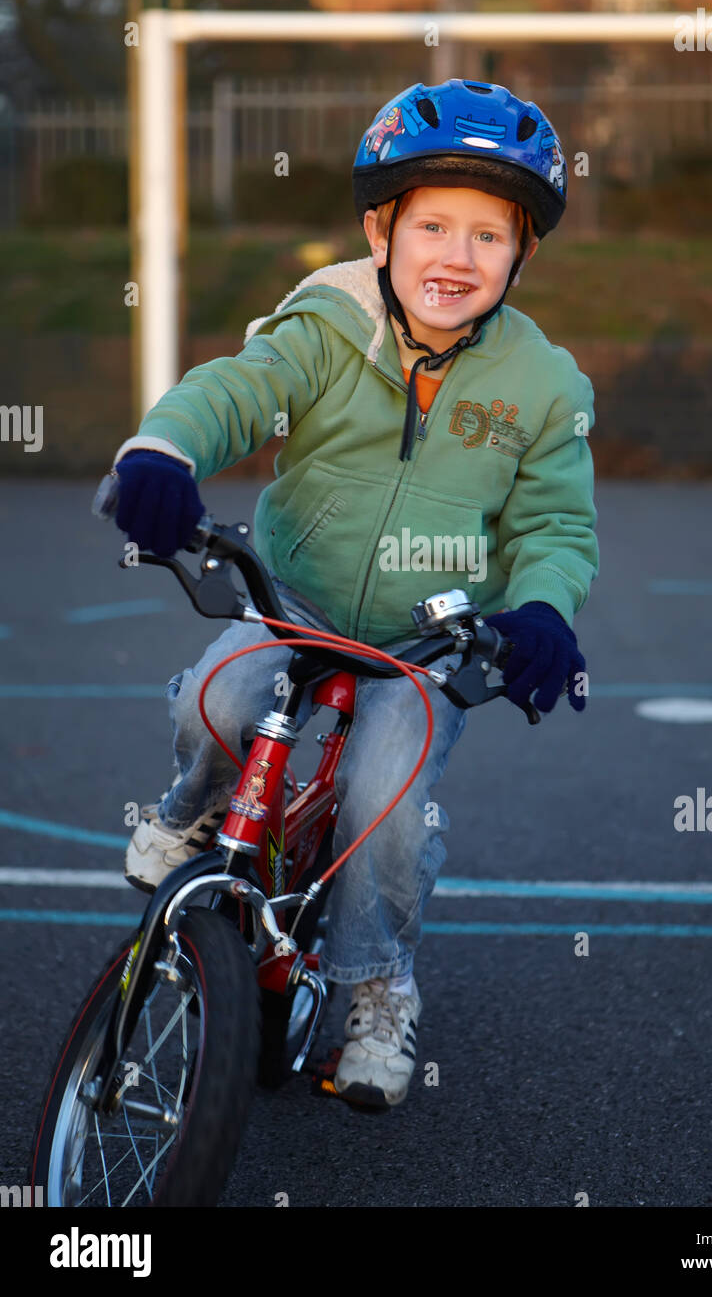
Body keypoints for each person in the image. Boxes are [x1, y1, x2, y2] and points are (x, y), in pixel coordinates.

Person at [109, 78, 599, 1109]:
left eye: (487, 236)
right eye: (430, 225)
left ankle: (376, 983)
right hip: (296, 597)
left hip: (425, 642)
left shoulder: (543, 382)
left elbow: (552, 526)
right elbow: (237, 390)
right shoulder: (331, 318)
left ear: (521, 256)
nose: (455, 257)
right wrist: (164, 449)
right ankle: (191, 814)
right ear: (381, 229)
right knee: (220, 700)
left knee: (385, 801)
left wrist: (542, 612)